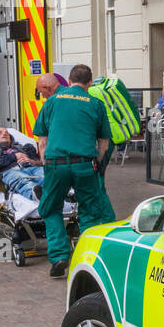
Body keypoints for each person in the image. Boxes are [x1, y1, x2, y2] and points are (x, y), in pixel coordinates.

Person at [33, 64, 116, 278]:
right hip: (84, 163)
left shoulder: (51, 102)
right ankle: (85, 258)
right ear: (89, 83)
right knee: (89, 210)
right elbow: (104, 144)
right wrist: (95, 162)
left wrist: (45, 162)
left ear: (68, 81)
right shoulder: (95, 104)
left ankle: (60, 256)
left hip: (56, 163)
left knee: (51, 209)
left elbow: (42, 141)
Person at [0, 126, 45, 200]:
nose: (4, 134)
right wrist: (14, 156)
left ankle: (55, 189)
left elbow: (38, 161)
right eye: (0, 133)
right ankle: (34, 193)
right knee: (20, 179)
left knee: (45, 174)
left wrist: (33, 161)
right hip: (9, 172)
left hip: (30, 168)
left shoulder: (19, 147)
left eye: (6, 133)